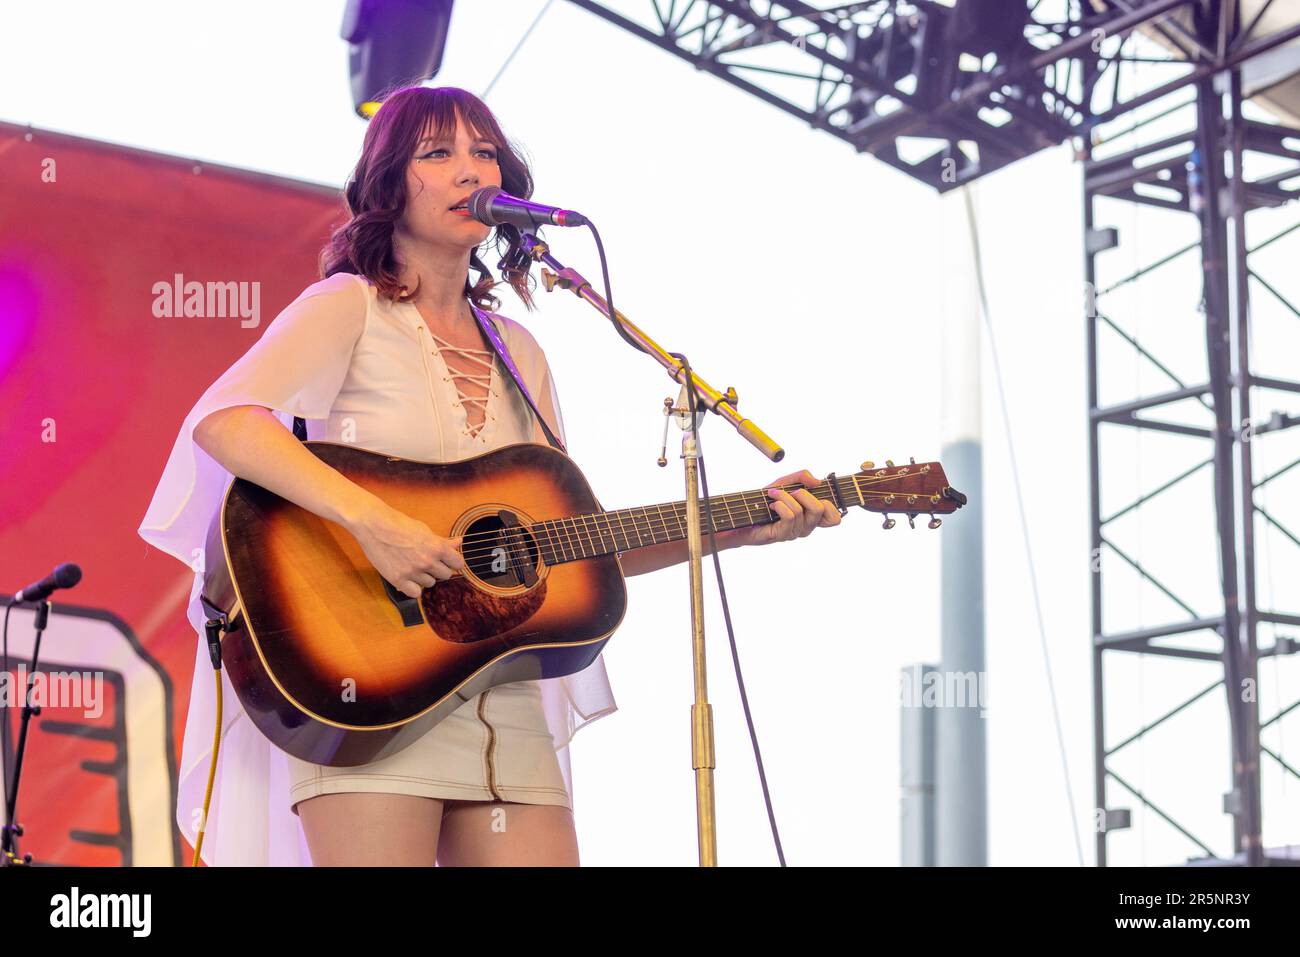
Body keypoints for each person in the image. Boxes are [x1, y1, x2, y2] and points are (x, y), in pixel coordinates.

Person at [138, 85, 841, 867]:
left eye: (484, 152)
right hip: (369, 687)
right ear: (388, 186)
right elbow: (226, 419)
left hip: (505, 712)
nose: (471, 169)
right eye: (438, 154)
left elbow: (575, 546)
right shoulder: (349, 307)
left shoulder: (522, 352)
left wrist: (739, 528)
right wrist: (377, 524)